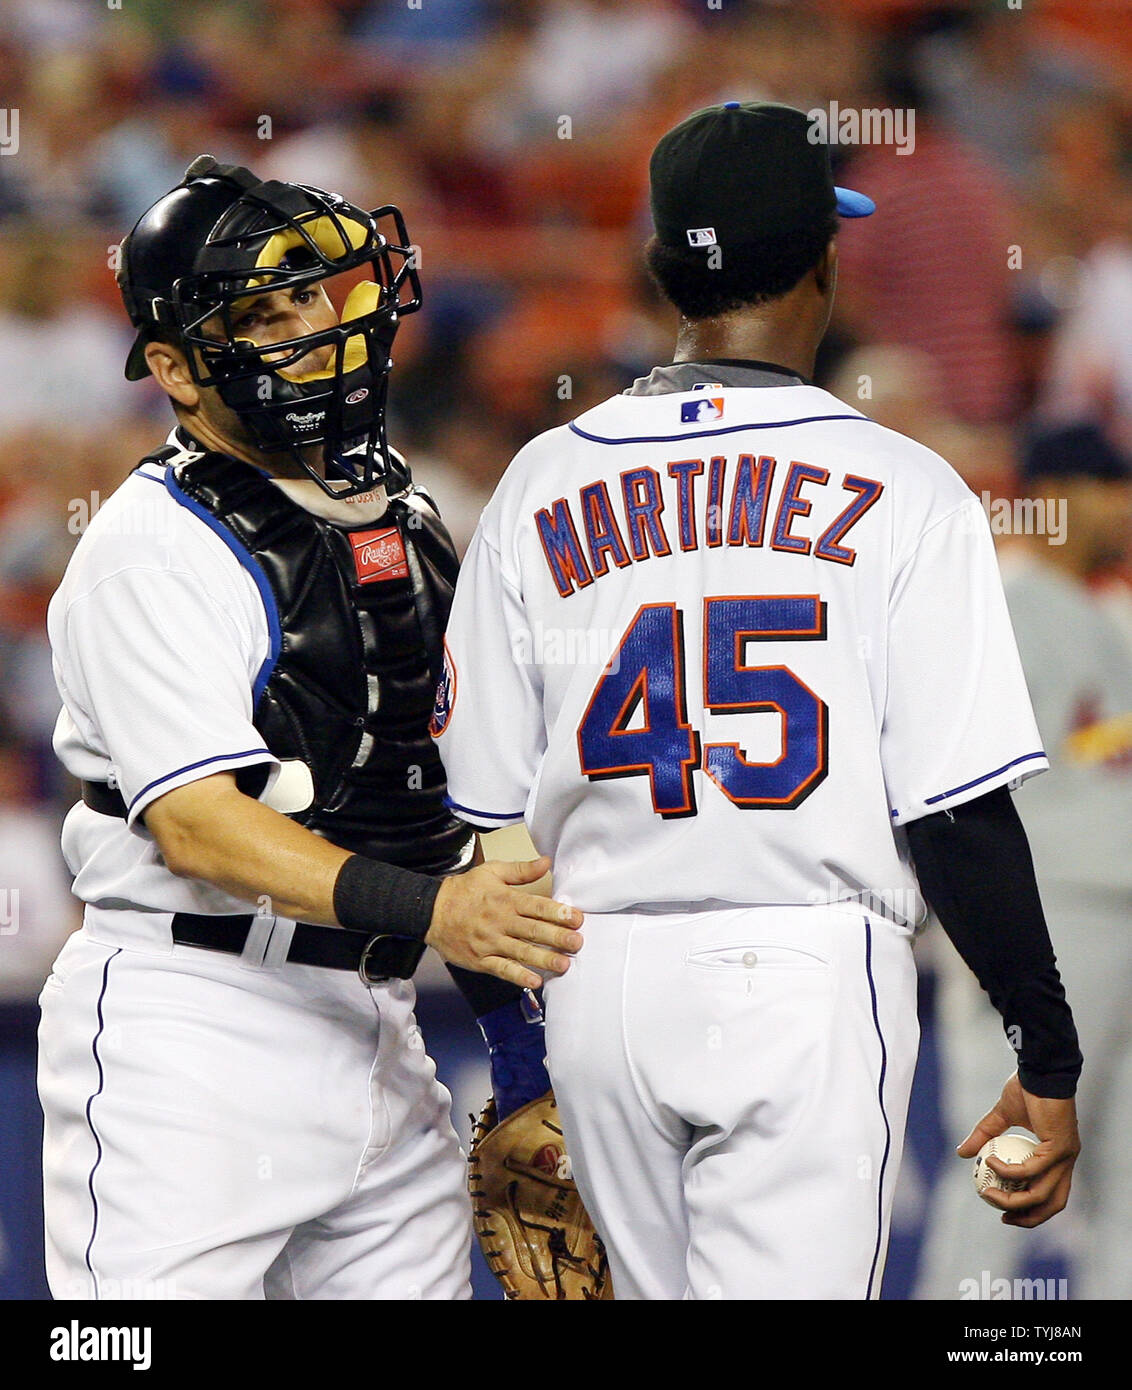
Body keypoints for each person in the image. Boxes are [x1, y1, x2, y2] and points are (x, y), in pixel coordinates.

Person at [432, 101, 1083, 1300]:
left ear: (662, 266)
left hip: (598, 977)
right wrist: (1044, 1046)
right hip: (806, 968)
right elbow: (953, 820)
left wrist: (520, 1050)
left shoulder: (540, 478)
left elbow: (478, 820)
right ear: (825, 266)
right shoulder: (906, 485)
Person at [39, 156, 582, 1301]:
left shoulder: (411, 522)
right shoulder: (152, 549)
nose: (311, 332)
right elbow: (200, 829)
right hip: (189, 1027)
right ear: (177, 369)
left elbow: (444, 814)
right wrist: (442, 912)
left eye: (315, 298)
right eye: (262, 314)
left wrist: (523, 1056)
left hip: (378, 1021)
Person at [916, 422, 1132, 1301]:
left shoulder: (1096, 611)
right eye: (1112, 488)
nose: (1123, 509)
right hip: (1036, 922)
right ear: (1065, 494)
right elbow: (956, 793)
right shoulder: (999, 600)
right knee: (1006, 1161)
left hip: (1111, 912)